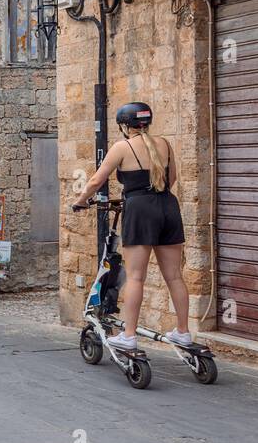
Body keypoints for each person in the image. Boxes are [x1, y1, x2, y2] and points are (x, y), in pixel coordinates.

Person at [72, 101, 193, 350]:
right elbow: (172, 178)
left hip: (139, 210)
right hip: (168, 207)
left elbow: (96, 180)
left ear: (125, 126)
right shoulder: (165, 144)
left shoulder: (122, 147)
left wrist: (80, 201)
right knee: (174, 276)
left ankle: (128, 335)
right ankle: (183, 332)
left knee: (136, 276)